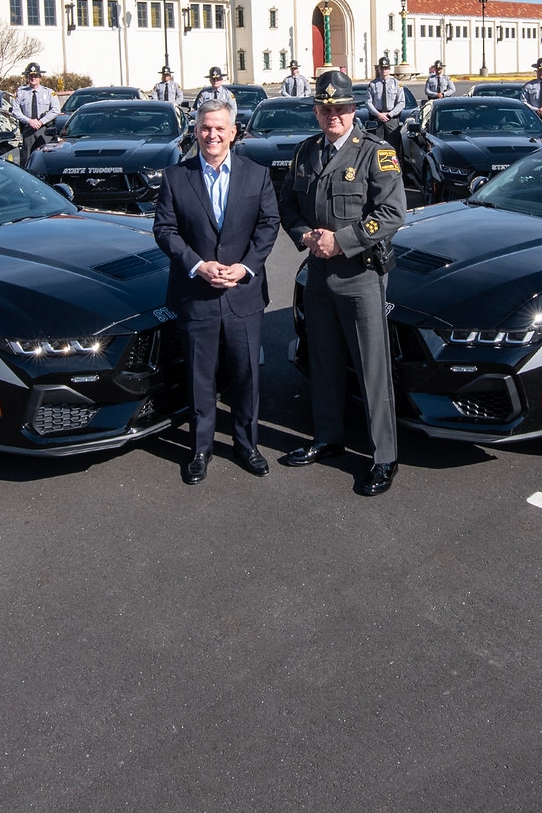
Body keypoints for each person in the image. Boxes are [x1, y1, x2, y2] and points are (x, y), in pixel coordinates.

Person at [278, 71, 405, 496]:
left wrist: (342, 240)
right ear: (316, 111)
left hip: (360, 276)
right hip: (317, 275)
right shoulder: (304, 153)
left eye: (340, 108)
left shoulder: (375, 153)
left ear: (354, 110)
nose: (332, 115)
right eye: (325, 108)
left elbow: (391, 214)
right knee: (324, 363)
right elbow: (288, 205)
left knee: (372, 369)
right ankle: (328, 438)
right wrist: (305, 236)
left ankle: (384, 457)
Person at [153, 100, 281, 485]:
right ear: (196, 130)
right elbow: (165, 230)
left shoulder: (256, 175)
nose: (212, 135)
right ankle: (200, 449)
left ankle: (247, 445)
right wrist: (197, 265)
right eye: (206, 128)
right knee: (200, 378)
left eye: (220, 128)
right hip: (197, 295)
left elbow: (268, 224)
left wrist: (244, 268)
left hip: (243, 295)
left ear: (234, 132)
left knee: (246, 377)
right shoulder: (176, 176)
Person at [14, 62, 57, 165]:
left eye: (36, 76)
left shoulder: (49, 92)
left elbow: (55, 110)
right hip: (28, 129)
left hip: (44, 130)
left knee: (47, 159)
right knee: (28, 160)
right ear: (27, 77)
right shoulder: (20, 92)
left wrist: (41, 122)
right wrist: (29, 121)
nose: (33, 78)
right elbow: (15, 111)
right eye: (31, 76)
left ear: (40, 77)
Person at [366, 56, 405, 152]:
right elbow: (368, 102)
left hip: (391, 119)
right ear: (379, 69)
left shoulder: (396, 84)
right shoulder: (373, 84)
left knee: (393, 146)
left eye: (386, 68)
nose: (384, 70)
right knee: (376, 146)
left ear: (389, 69)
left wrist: (390, 114)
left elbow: (401, 102)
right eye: (382, 68)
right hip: (377, 118)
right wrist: (378, 114)